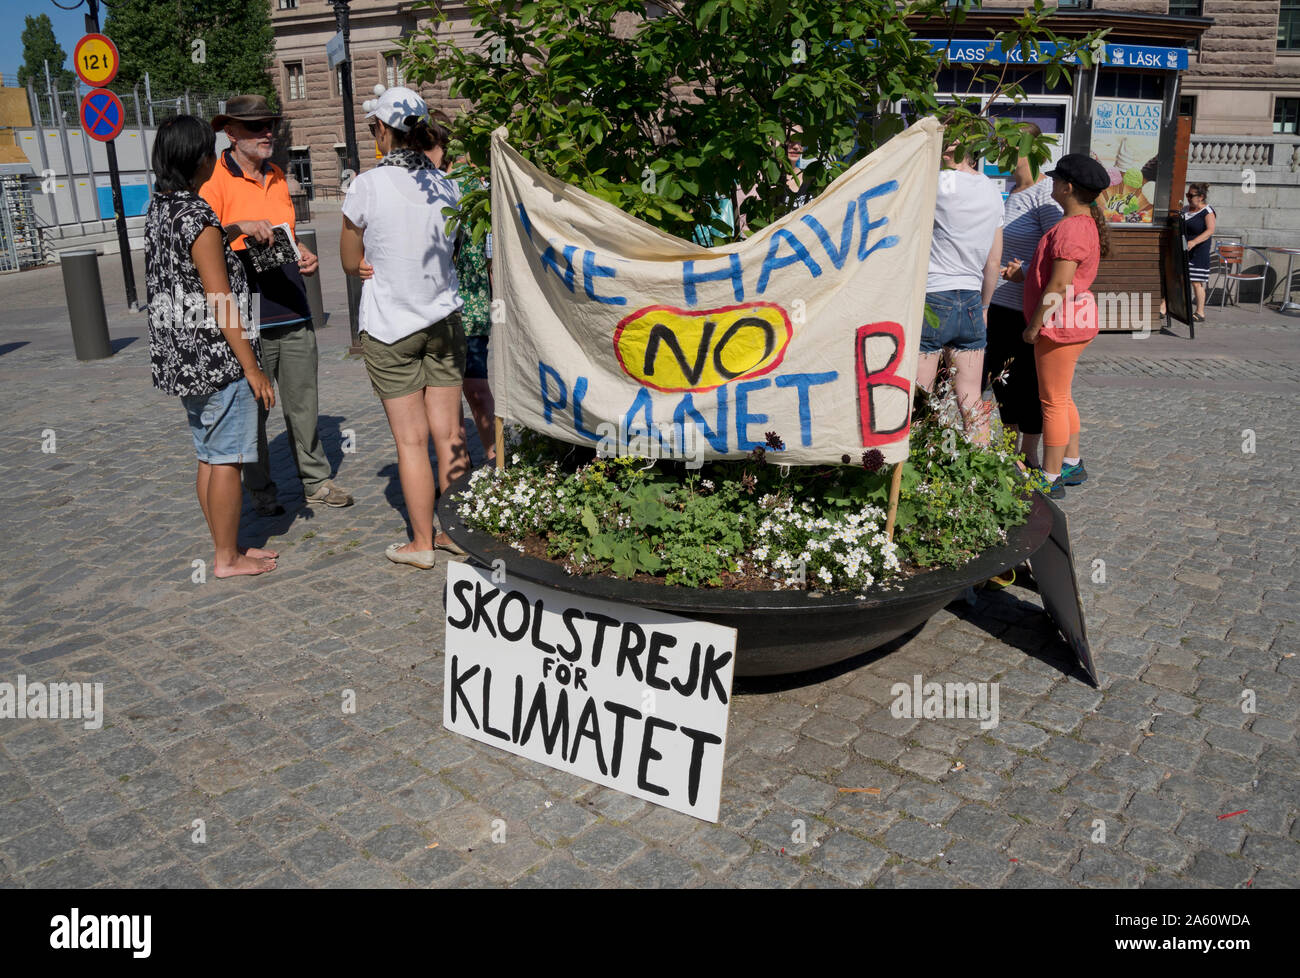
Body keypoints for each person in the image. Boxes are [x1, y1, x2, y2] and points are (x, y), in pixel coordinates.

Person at [201, 94, 354, 516]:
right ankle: (261, 491)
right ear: (230, 133)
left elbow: (283, 233)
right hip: (249, 317)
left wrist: (302, 251)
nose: (267, 132)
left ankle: (316, 482)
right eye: (255, 127)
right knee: (253, 412)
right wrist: (238, 229)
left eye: (269, 124)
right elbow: (204, 245)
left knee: (305, 405)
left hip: (294, 308)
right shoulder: (213, 181)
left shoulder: (278, 175)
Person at [340, 87, 470, 568]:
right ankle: (456, 533)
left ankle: (420, 543)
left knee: (411, 441)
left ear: (382, 131)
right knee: (450, 432)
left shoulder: (366, 186)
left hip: (391, 327)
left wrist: (367, 263)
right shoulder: (446, 186)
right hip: (443, 319)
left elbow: (351, 260)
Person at [144, 115, 277, 578]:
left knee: (208, 453)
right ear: (197, 158)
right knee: (227, 459)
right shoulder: (198, 215)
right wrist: (253, 369)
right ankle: (227, 558)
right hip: (216, 358)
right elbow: (220, 300)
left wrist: (231, 228)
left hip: (182, 356)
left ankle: (226, 545)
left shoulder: (162, 208)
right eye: (208, 151)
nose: (211, 158)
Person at [1002, 153, 1111, 499]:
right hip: (1074, 322)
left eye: (1055, 179)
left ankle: (1050, 475)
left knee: (1051, 401)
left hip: (1059, 325)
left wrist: (1034, 326)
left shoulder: (1069, 229)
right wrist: (1025, 275)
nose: (1050, 183)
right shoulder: (1082, 224)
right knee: (1062, 397)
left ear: (1066, 188)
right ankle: (1072, 463)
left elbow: (1059, 285)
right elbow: (1057, 279)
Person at [985, 124, 1063, 469]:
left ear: (1026, 149)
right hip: (998, 303)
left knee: (1026, 382)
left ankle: (1028, 453)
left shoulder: (1045, 194)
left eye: (1005, 145)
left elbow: (1061, 256)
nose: (998, 151)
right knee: (999, 379)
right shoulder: (1010, 190)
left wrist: (1026, 270)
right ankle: (1007, 447)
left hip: (1026, 307)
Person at [917, 143, 1005, 434]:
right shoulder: (992, 190)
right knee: (972, 400)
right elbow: (993, 262)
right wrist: (984, 307)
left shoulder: (938, 182)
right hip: (970, 298)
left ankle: (912, 473)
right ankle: (981, 472)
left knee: (920, 400)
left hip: (932, 295)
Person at [1182, 183, 1215, 322]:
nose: (1188, 198)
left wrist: (1194, 242)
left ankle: (1200, 312)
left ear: (1201, 197)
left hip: (1199, 251)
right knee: (1180, 279)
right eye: (1187, 195)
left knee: (1196, 282)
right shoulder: (1185, 210)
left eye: (1191, 196)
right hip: (1184, 249)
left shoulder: (1207, 211)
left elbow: (1210, 230)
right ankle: (1168, 307)